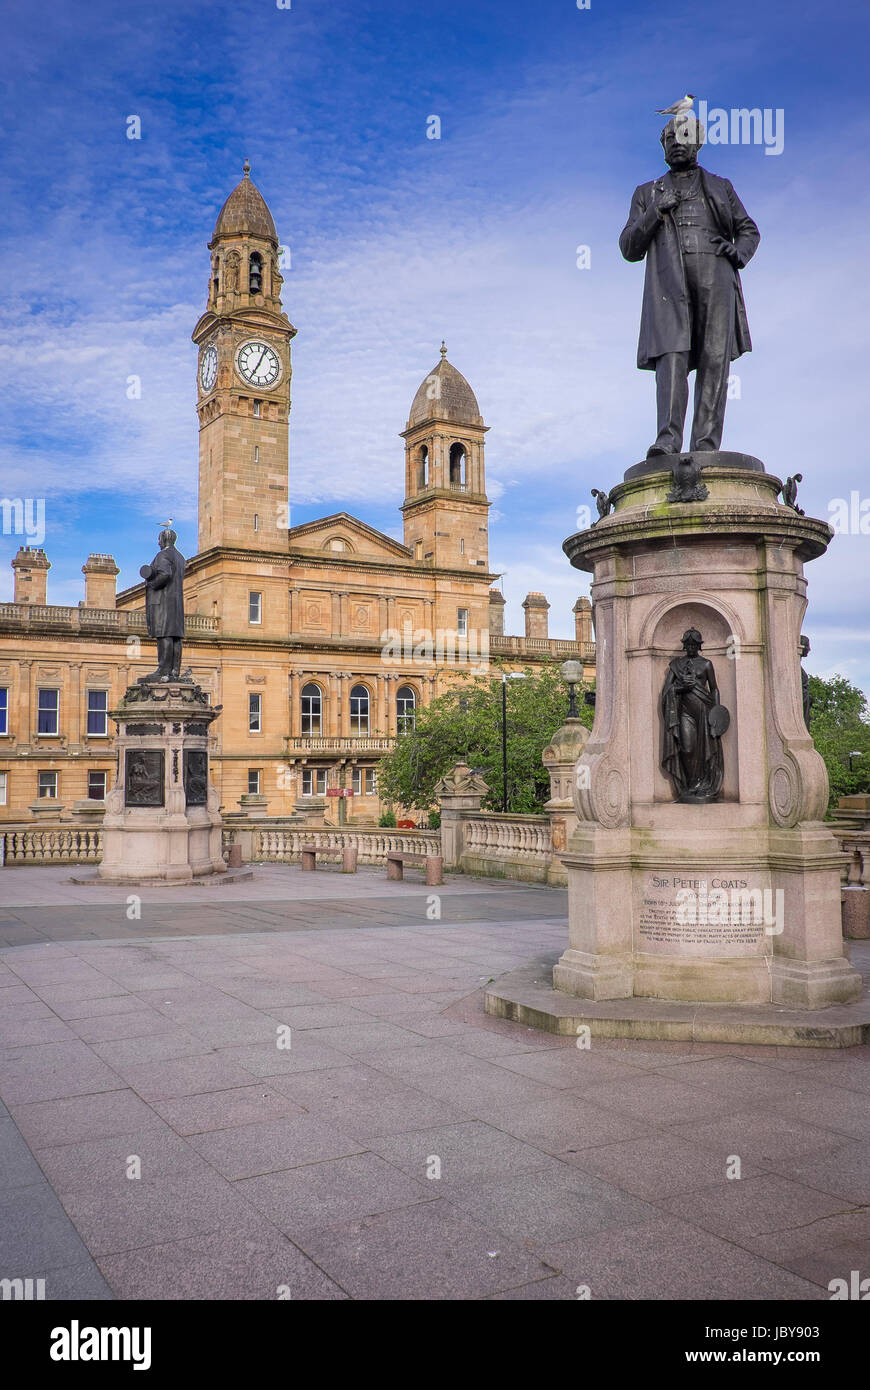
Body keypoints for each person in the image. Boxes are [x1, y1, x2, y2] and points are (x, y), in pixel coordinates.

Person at [620, 115, 760, 458]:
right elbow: (628, 247)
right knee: (671, 359)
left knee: (715, 361)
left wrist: (738, 252)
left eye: (683, 136)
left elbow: (748, 230)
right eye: (669, 138)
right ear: (663, 147)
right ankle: (667, 439)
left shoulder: (720, 186)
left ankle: (705, 445)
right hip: (668, 283)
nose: (676, 143)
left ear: (697, 142)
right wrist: (655, 211)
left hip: (716, 277)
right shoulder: (646, 193)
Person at [661, 628, 726, 802]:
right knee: (687, 748)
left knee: (704, 749)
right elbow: (667, 690)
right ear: (684, 645)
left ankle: (702, 784)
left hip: (704, 712)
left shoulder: (706, 664)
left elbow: (714, 689)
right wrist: (681, 687)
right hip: (685, 713)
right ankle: (690, 784)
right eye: (687, 644)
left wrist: (717, 714)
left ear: (698, 646)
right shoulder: (676, 665)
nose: (690, 647)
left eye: (693, 644)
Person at [139, 528, 185, 681]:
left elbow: (165, 574)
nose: (158, 543)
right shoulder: (180, 557)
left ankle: (163, 670)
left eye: (159, 539)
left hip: (163, 602)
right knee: (175, 636)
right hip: (176, 602)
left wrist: (152, 584)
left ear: (164, 540)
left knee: (164, 634)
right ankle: (174, 671)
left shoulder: (163, 555)